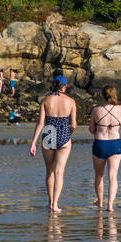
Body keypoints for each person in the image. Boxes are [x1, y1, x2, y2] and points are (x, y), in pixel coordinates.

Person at [29, 75, 77, 212]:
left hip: (49, 133)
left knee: (49, 170)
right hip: (63, 133)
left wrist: (33, 143)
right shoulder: (71, 101)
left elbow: (40, 123)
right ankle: (55, 204)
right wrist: (69, 135)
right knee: (59, 171)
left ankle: (50, 202)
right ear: (65, 86)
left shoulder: (45, 100)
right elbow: (73, 124)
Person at [89, 86, 121, 211]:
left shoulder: (96, 110)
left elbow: (91, 130)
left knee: (99, 175)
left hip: (100, 143)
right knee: (113, 176)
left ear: (102, 95)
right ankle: (110, 205)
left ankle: (100, 202)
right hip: (115, 143)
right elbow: (118, 122)